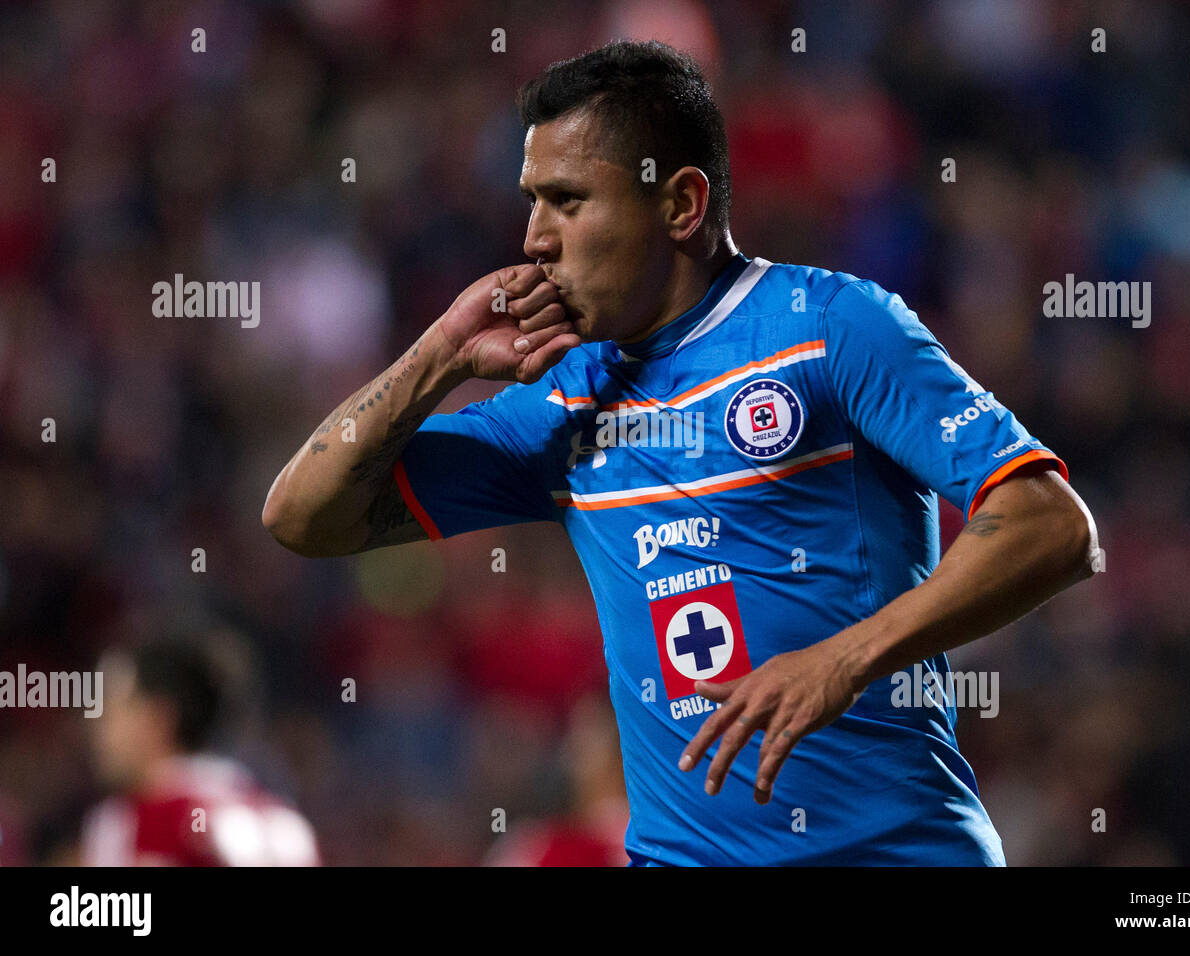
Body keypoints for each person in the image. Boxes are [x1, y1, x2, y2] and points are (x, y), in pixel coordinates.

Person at [263, 39, 1099, 865]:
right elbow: (303, 518)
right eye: (531, 201)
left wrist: (841, 662)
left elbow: (1052, 527)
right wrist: (438, 354)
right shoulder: (554, 410)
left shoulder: (831, 329)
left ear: (681, 204)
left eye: (566, 200)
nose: (534, 240)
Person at [81, 635, 320, 866]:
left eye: (111, 713)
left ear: (158, 717)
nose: (98, 731)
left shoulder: (133, 822)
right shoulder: (282, 816)